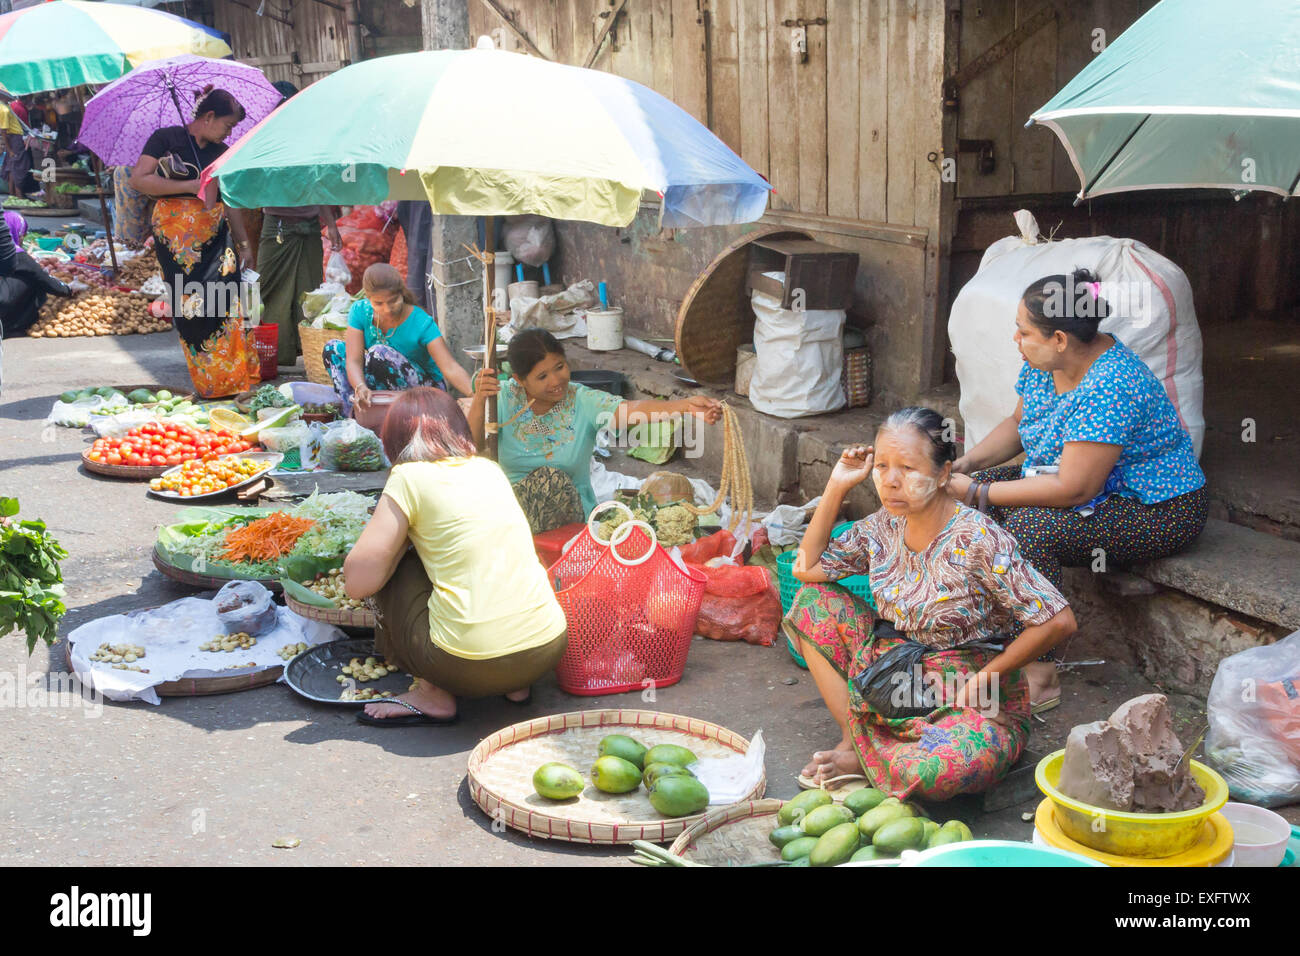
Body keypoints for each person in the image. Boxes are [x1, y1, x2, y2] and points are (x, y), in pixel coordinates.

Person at [947, 268, 1207, 712]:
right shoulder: (1042, 364)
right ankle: (989, 630)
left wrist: (978, 493)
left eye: (1024, 331)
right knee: (972, 500)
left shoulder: (1112, 383)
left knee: (1030, 527)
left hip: (1156, 510)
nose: (1016, 338)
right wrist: (966, 467)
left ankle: (1041, 673)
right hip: (1083, 487)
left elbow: (1073, 489)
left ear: (1060, 338)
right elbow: (1017, 425)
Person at [786, 407, 1077, 800]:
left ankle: (866, 751)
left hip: (966, 689)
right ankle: (856, 738)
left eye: (907, 468)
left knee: (939, 770)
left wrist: (985, 679)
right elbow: (807, 568)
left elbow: (1058, 621)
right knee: (812, 603)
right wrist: (837, 486)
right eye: (883, 466)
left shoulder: (978, 538)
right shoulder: (881, 526)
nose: (890, 481)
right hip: (892, 669)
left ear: (943, 474)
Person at [343, 388, 569, 725]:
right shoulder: (488, 469)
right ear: (457, 429)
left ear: (393, 441)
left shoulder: (408, 477)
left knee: (400, 563)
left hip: (467, 664)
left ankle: (432, 693)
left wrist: (400, 548)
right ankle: (517, 686)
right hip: (547, 648)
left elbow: (357, 582)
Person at [468, 328, 724, 534]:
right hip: (512, 520)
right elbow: (470, 447)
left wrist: (685, 406)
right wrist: (479, 400)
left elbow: (628, 410)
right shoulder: (502, 400)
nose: (556, 381)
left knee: (551, 480)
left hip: (570, 522)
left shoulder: (581, 400)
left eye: (559, 367)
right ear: (520, 380)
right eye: (542, 376)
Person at [129, 87, 259, 398]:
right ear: (209, 116)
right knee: (192, 304)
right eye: (227, 124)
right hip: (176, 239)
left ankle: (234, 380)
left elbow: (230, 200)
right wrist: (191, 183)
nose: (229, 132)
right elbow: (139, 179)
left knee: (227, 298)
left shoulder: (221, 152)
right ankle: (211, 383)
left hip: (215, 233)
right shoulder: (166, 139)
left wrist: (244, 244)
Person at [323, 263, 473, 416]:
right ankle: (354, 417)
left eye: (393, 301)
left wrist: (475, 394)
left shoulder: (420, 321)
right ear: (368, 298)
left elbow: (449, 366)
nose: (387, 309)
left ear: (402, 293)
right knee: (333, 349)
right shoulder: (360, 311)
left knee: (379, 353)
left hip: (425, 392)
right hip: (383, 384)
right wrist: (360, 386)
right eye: (378, 303)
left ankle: (395, 419)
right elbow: (353, 360)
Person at [1, 211, 73, 338]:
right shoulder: (13, 253)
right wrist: (69, 289)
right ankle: (15, 324)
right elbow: (46, 281)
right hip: (4, 314)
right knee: (34, 280)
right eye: (22, 234)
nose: (23, 238)